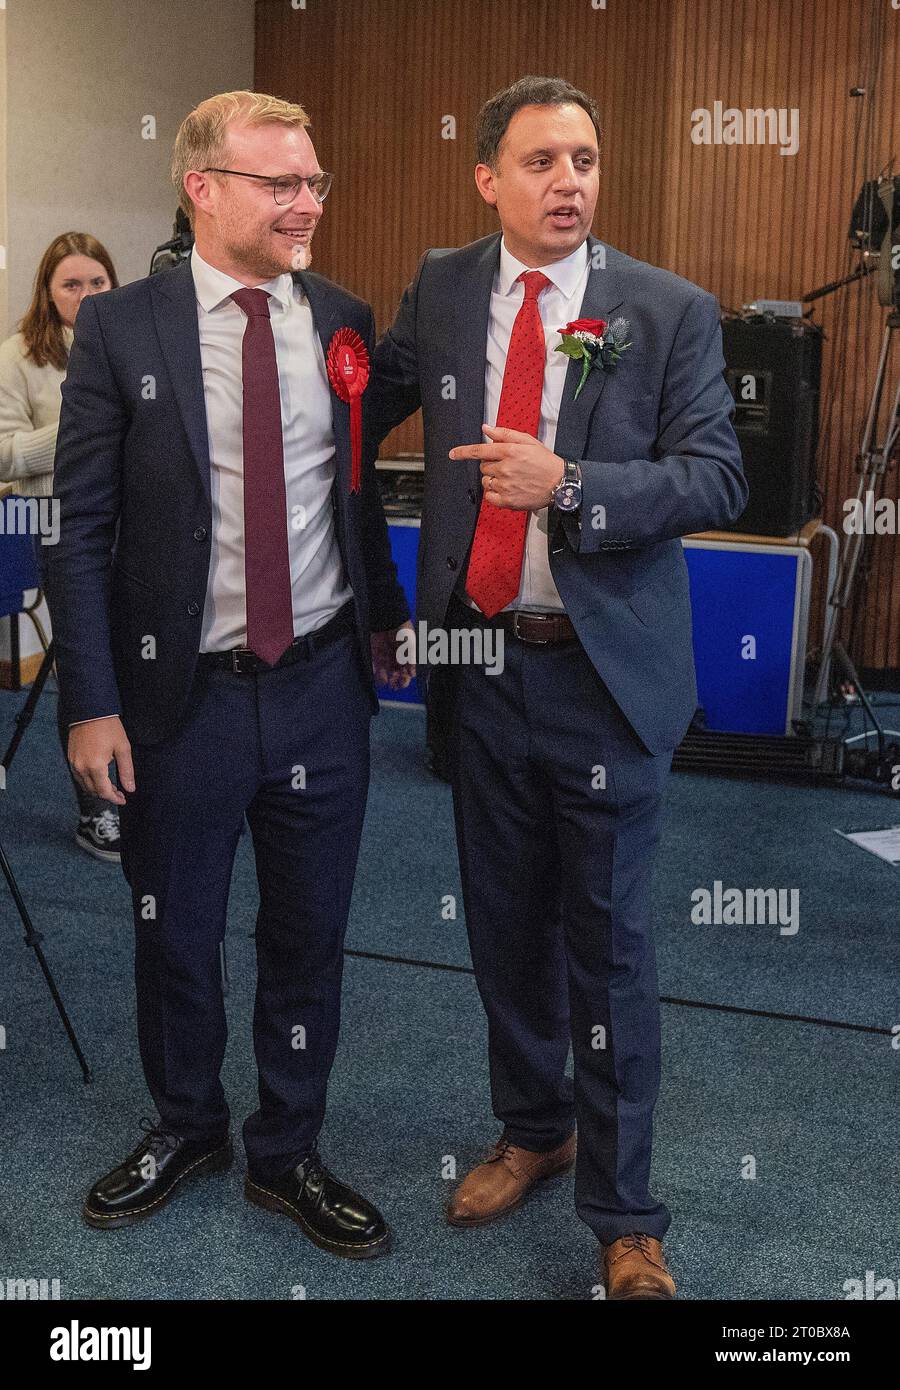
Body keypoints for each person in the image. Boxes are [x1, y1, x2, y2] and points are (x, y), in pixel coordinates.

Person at [365, 74, 748, 1299]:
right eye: (540, 162)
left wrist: (574, 484)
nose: (568, 181)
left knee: (611, 946)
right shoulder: (443, 286)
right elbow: (352, 414)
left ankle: (627, 1215)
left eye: (583, 158)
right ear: (488, 179)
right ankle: (535, 1127)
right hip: (477, 665)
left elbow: (716, 478)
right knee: (504, 927)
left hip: (603, 671)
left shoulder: (666, 308)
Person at [46, 90, 413, 1256]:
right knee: (176, 928)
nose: (308, 203)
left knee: (308, 933)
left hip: (318, 691)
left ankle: (289, 1147)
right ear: (202, 187)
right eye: (281, 183)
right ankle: (187, 1121)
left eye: (315, 182)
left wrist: (389, 624)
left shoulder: (342, 323)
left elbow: (354, 500)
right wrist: (91, 700)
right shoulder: (125, 330)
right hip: (175, 697)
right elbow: (81, 526)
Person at [0, 232, 122, 860]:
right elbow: (3, 452)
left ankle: (140, 793)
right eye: (70, 284)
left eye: (96, 282)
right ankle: (97, 811)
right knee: (85, 659)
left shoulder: (135, 343)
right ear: (47, 292)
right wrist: (79, 429)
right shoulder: (19, 356)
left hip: (134, 526)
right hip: (57, 526)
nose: (85, 294)